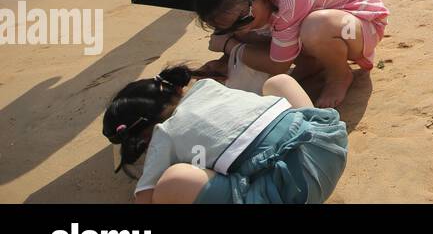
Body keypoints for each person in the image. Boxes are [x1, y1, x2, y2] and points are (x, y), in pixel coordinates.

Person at [102, 65, 347, 204]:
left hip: (289, 194)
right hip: (327, 147)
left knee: (172, 181)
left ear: (144, 135)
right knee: (278, 82)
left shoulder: (163, 134)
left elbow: (145, 199)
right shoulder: (207, 86)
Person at [194, 0, 389, 109]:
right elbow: (249, 32)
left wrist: (229, 45)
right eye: (227, 26)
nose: (241, 26)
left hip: (362, 23)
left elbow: (277, 66)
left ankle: (339, 76)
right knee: (251, 33)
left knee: (317, 27)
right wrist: (225, 59)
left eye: (243, 18)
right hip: (330, 16)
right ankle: (310, 63)